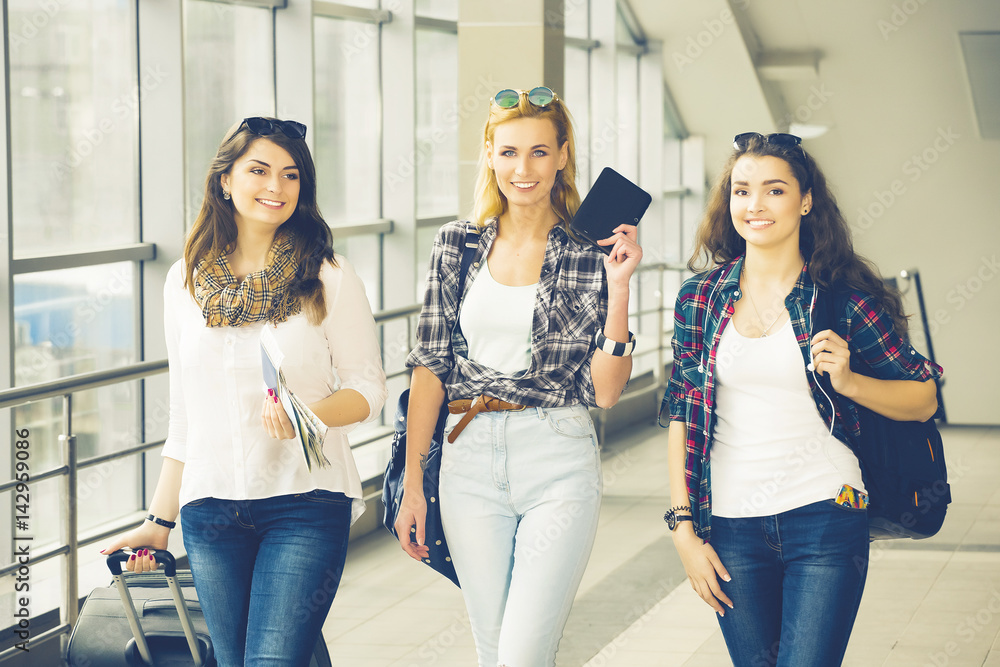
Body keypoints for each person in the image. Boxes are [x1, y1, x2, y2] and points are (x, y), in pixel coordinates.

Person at [100, 117, 387, 666]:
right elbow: (185, 416)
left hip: (305, 502)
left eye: (291, 175)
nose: (276, 187)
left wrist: (312, 414)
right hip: (210, 512)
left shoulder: (329, 276)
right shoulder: (184, 281)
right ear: (225, 180)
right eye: (259, 170)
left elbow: (368, 387)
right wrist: (159, 523)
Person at [660, 131, 943, 666]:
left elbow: (923, 397)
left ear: (805, 200)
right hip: (730, 524)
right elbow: (680, 409)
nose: (755, 205)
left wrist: (852, 382)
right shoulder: (699, 298)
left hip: (827, 514)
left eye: (774, 190)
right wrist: (683, 529)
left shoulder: (842, 298)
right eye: (741, 192)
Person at [394, 86, 641, 666]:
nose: (522, 169)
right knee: (493, 649)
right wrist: (412, 485)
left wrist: (621, 286)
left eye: (537, 152)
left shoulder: (592, 250)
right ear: (488, 155)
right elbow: (430, 367)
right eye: (507, 152)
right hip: (467, 459)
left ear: (562, 156)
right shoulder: (456, 245)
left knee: (523, 654)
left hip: (556, 456)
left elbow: (605, 391)